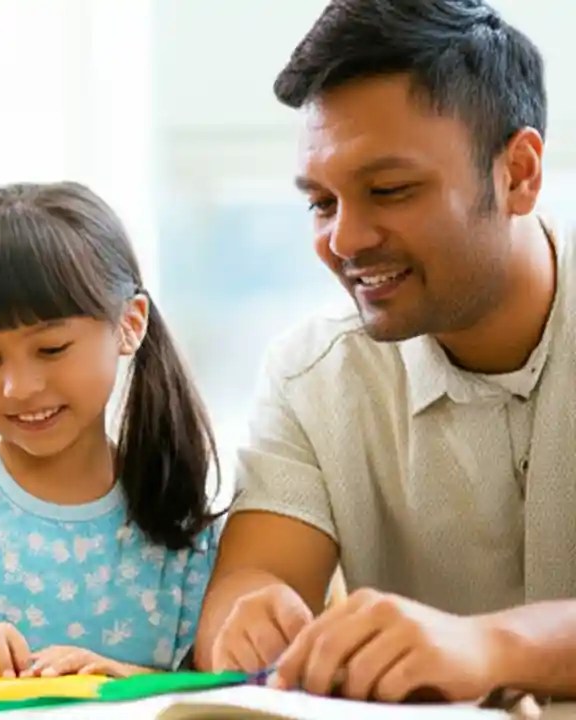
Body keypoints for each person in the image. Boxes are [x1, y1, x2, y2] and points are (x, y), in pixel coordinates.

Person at [196, 0, 576, 704]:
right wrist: (246, 615)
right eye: (320, 202)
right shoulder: (312, 376)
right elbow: (251, 581)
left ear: (519, 173)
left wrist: (491, 646)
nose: (343, 241)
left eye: (390, 190)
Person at [0, 181, 222, 679]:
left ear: (130, 324)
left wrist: (117, 677)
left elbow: (220, 696)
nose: (19, 387)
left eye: (51, 349)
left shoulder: (187, 531)